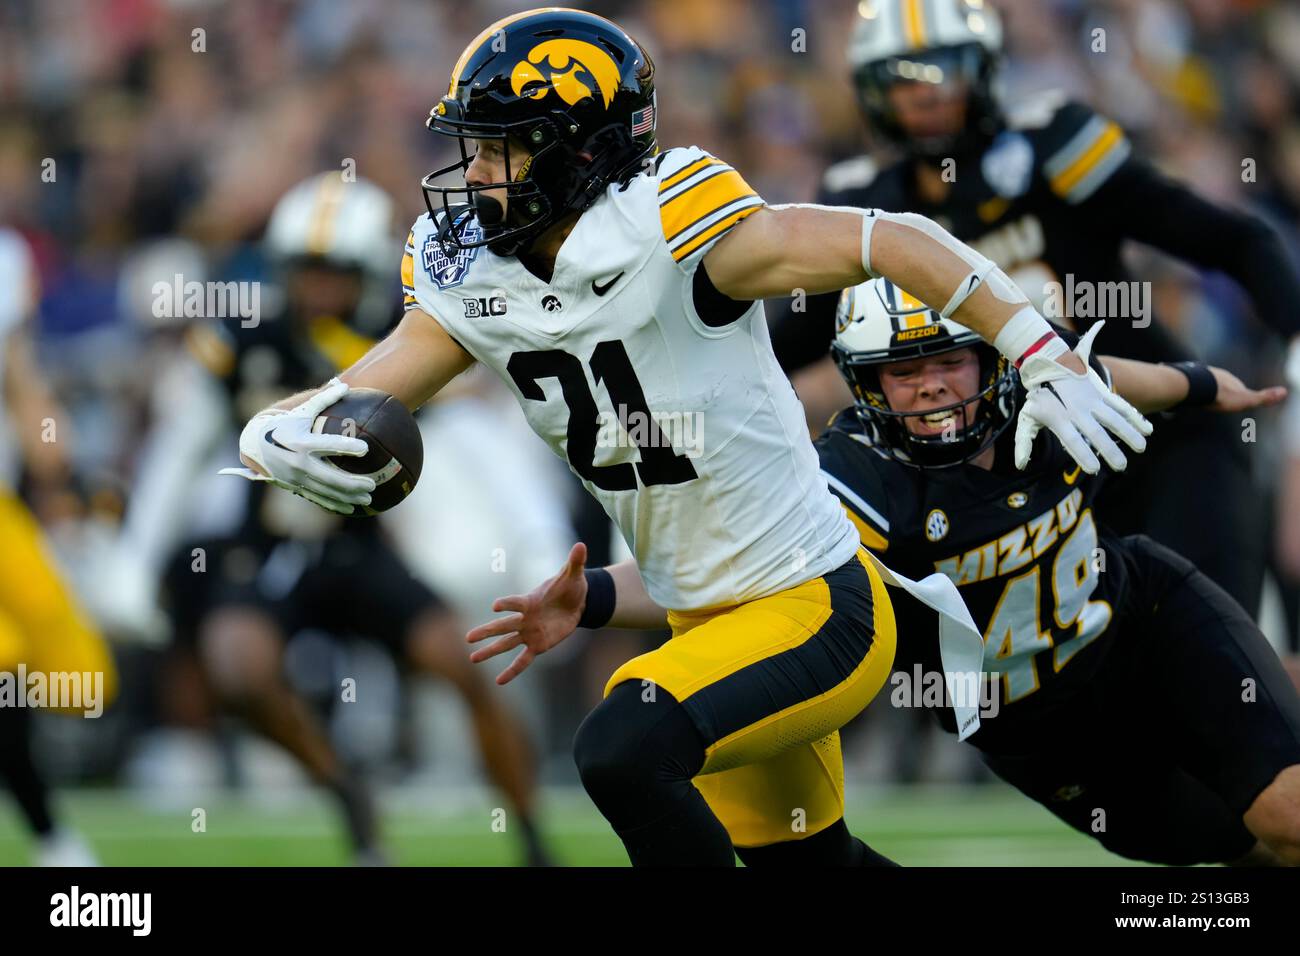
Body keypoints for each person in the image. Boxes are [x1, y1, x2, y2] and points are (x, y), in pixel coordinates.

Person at [224, 8, 1152, 866]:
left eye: (502, 149)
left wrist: (1037, 348)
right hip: (700, 619)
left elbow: (890, 237)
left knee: (622, 747)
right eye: (473, 148)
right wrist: (275, 433)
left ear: (579, 151)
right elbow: (368, 383)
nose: (474, 174)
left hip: (815, 607)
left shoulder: (675, 225)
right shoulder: (468, 273)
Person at [769, 0, 1300, 615]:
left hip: (1155, 432)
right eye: (903, 79)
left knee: (1216, 638)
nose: (926, 96)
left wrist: (1295, 332)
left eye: (945, 71)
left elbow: (1234, 238)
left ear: (986, 70)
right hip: (1022, 478)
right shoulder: (865, 205)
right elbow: (793, 338)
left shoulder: (1052, 148)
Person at [121, 175, 549, 865]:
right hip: (263, 544)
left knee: (459, 661)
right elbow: (178, 451)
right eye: (307, 270)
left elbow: (481, 440)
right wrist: (139, 560)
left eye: (335, 271)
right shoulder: (246, 334)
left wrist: (536, 540)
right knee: (238, 665)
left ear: (367, 273)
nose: (319, 287)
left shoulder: (405, 335)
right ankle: (345, 790)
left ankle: (531, 835)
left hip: (359, 545)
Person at [814, 275, 1300, 864]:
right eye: (903, 372)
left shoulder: (1040, 388)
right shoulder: (852, 480)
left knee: (1287, 813)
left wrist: (1199, 385)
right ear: (866, 383)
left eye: (949, 360)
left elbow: (1107, 376)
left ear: (991, 355)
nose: (931, 386)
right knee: (1245, 852)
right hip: (1043, 735)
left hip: (1144, 621)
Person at [0, 227, 116, 865]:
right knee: (3, 665)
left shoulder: (8, 258)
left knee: (80, 678)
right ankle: (52, 838)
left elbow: (17, 374)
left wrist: (58, 463)